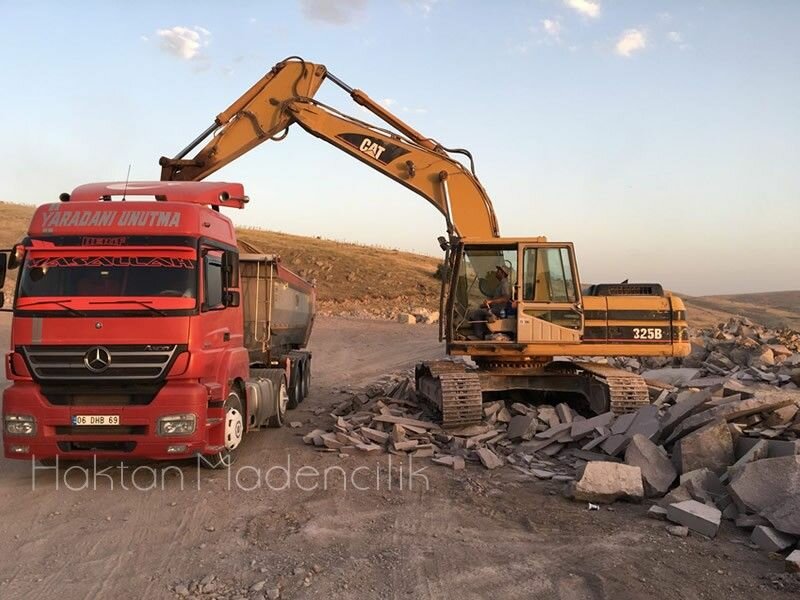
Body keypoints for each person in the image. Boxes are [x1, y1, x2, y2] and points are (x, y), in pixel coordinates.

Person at [471, 264, 513, 338]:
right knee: (480, 308)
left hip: (499, 310)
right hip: (496, 308)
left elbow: (505, 298)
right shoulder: (501, 284)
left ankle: (480, 335)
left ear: (503, 273)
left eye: (498, 271)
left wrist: (491, 302)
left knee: (477, 313)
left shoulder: (505, 284)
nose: (496, 272)